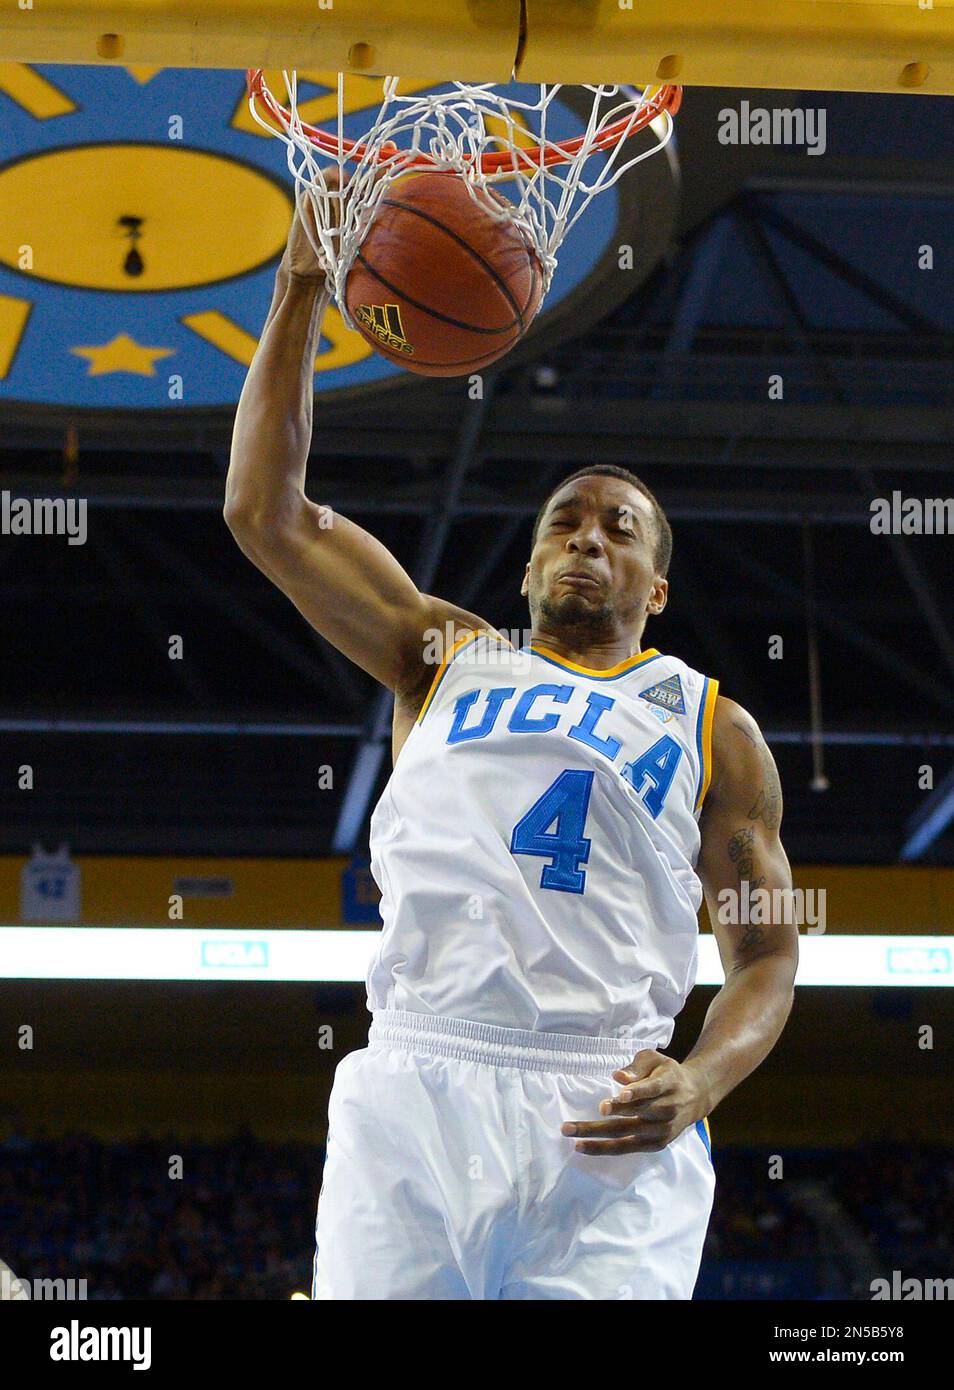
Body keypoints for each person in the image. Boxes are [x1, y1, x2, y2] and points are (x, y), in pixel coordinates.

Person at [225, 188, 798, 1300]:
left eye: (617, 528)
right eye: (563, 523)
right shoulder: (444, 656)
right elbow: (267, 513)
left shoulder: (712, 723)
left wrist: (703, 1078)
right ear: (531, 568)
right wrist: (298, 285)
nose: (587, 535)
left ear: (657, 586)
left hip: (608, 1100)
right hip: (420, 1076)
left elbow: (767, 958)